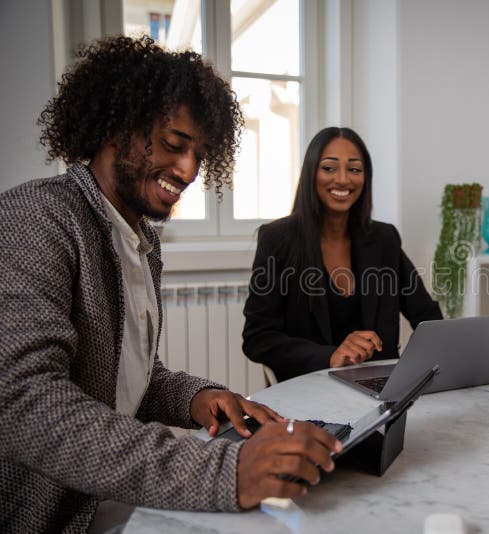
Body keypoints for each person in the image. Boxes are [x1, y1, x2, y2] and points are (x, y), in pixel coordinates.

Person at [0, 36, 341, 533]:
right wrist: (225, 471)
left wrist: (196, 398)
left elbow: (125, 381)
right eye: (174, 145)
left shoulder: (142, 242)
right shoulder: (37, 217)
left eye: (199, 155)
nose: (188, 171)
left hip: (104, 495)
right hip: (49, 517)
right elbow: (24, 402)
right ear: (116, 126)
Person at [243, 127, 443, 381]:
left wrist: (417, 367)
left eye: (354, 169)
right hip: (309, 388)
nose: (342, 179)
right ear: (311, 173)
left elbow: (427, 317)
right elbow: (258, 337)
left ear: (365, 177)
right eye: (329, 168)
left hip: (378, 388)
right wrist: (330, 355)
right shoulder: (278, 239)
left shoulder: (384, 239)